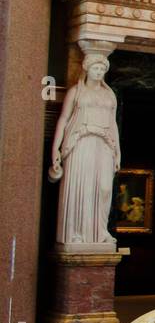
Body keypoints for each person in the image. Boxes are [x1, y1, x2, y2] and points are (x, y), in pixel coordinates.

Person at [49, 52, 120, 246]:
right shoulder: (76, 91)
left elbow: (113, 124)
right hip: (81, 142)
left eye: (102, 69)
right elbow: (63, 119)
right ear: (87, 70)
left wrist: (118, 152)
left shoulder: (109, 94)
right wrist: (55, 149)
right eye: (95, 68)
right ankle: (76, 233)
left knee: (104, 188)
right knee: (82, 186)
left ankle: (100, 233)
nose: (98, 72)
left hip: (105, 144)